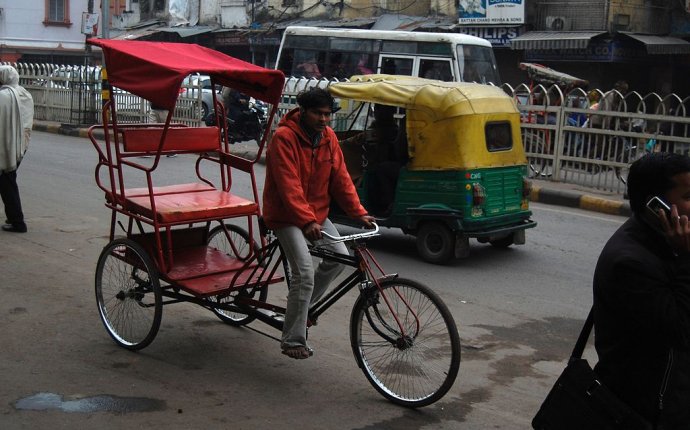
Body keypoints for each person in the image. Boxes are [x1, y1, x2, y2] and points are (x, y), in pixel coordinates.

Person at [263, 88, 375, 359]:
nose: (324, 119)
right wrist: (306, 220)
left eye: (327, 114)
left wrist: (358, 212)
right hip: (286, 216)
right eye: (317, 113)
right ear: (302, 111)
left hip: (316, 214)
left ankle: (300, 312)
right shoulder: (284, 138)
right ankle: (292, 339)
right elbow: (289, 185)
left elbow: (341, 178)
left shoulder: (328, 138)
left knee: (339, 258)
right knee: (303, 272)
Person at [592, 152, 690, 428]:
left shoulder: (665, 242)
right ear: (656, 206)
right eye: (689, 196)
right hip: (644, 410)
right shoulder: (630, 262)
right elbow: (681, 330)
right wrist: (686, 258)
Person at [0, 65, 34, 233]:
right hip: (21, 146)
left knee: (7, 183)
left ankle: (17, 222)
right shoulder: (25, 94)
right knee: (8, 181)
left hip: (5, 145)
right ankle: (14, 218)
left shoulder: (4, 96)